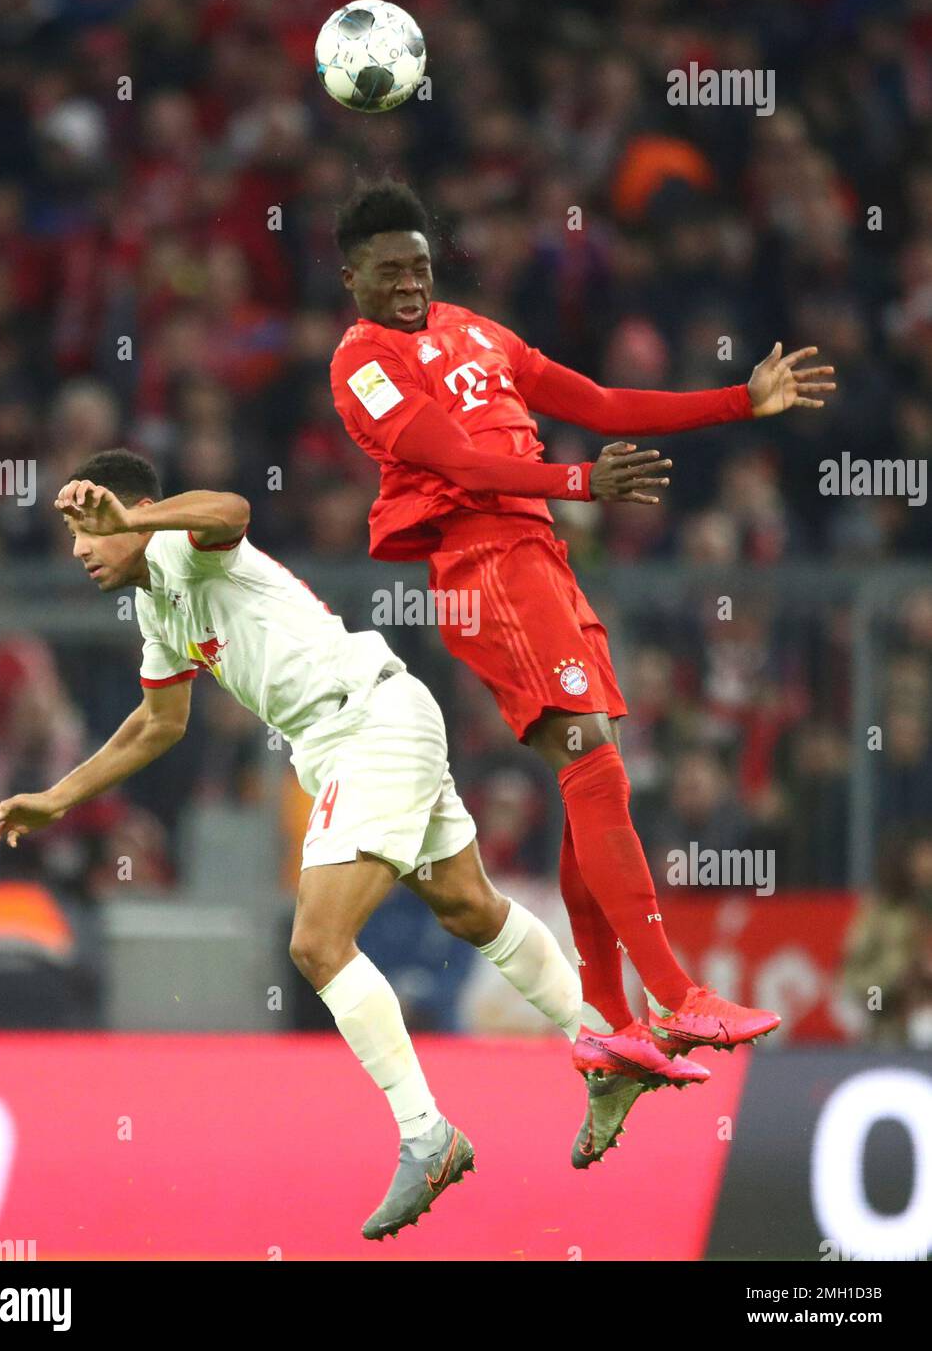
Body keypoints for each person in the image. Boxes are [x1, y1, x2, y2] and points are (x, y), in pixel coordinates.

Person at [0, 449, 702, 1239]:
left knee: (319, 941)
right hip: (365, 727)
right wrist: (54, 798)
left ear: (135, 511)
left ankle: (427, 1135)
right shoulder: (158, 609)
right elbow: (160, 723)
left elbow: (232, 507)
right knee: (468, 908)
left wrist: (141, 521)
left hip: (364, 727)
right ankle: (602, 1043)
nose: (80, 548)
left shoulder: (186, 547)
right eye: (75, 535)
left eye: (89, 528)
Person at [330, 181, 825, 1145]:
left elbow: (595, 400)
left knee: (588, 776)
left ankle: (611, 1032)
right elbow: (459, 465)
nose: (408, 286)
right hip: (483, 561)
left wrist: (740, 401)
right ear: (351, 277)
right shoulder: (360, 364)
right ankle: (674, 994)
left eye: (420, 268)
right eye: (388, 271)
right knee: (591, 758)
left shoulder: (480, 333)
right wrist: (581, 481)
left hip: (539, 559)